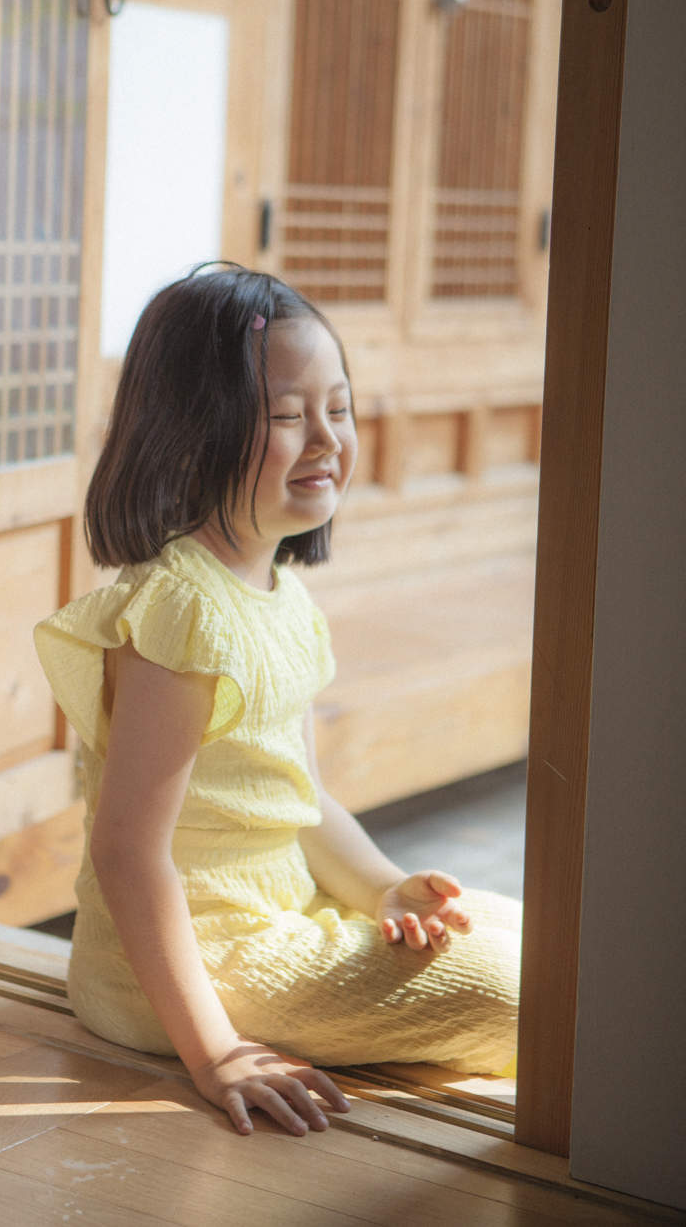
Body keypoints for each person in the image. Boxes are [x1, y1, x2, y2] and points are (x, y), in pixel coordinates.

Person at [34, 265, 520, 1138]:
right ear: (193, 435)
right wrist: (217, 1054)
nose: (328, 439)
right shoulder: (182, 609)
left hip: (277, 916)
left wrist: (383, 890)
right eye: (291, 417)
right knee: (523, 996)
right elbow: (127, 853)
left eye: (340, 409)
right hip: (189, 963)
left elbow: (304, 796)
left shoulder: (282, 594)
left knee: (533, 939)